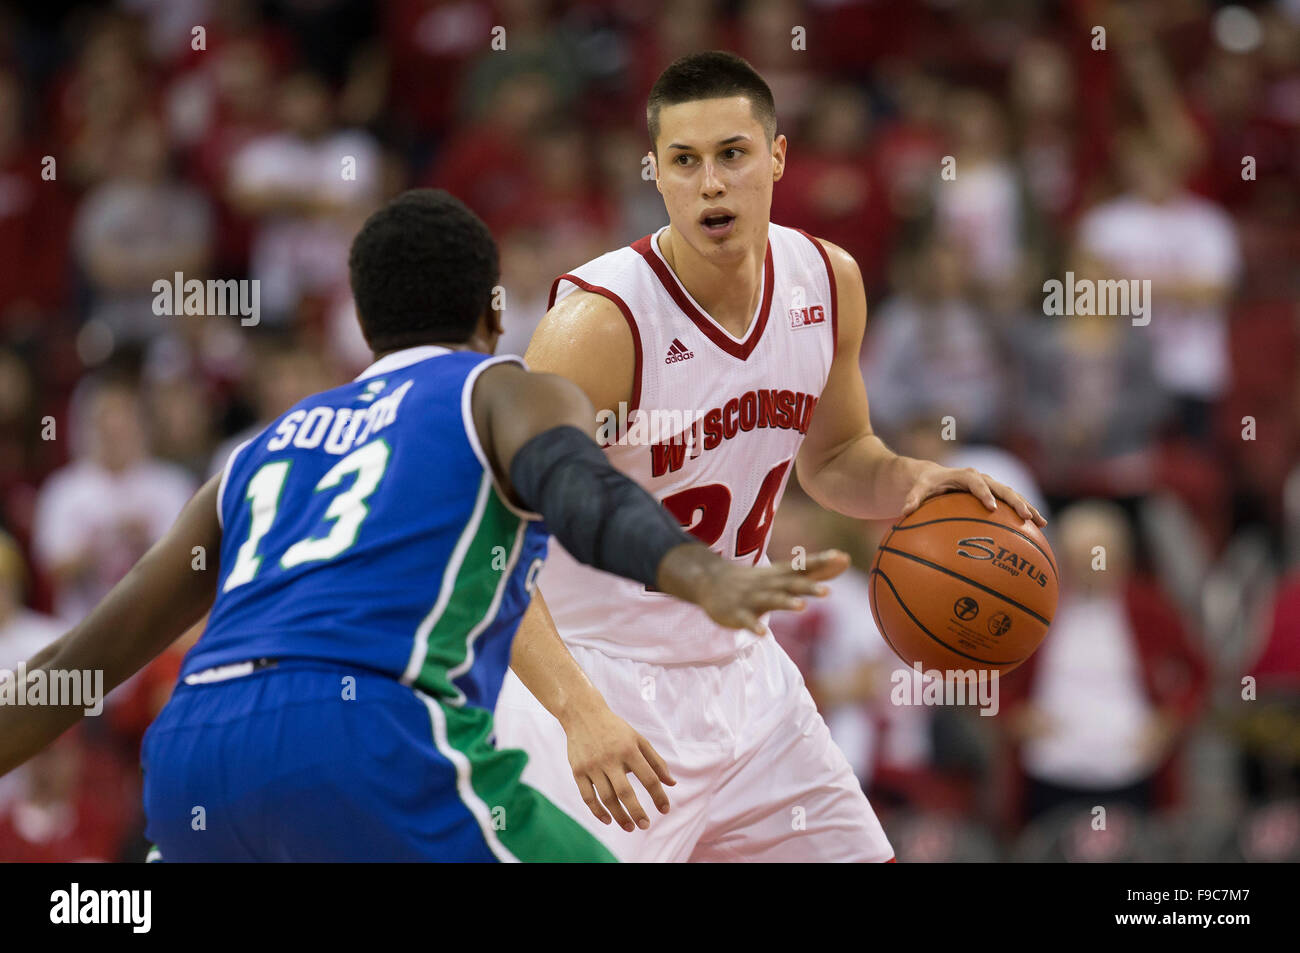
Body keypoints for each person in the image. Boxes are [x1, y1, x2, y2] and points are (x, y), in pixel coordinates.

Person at [0, 189, 845, 862]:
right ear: (492, 311)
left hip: (196, 752)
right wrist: (704, 574)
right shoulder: (500, 387)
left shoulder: (263, 451)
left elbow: (77, 664)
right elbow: (585, 493)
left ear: (364, 325)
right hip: (365, 736)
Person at [494, 51, 1045, 862]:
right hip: (600, 680)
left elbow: (838, 457)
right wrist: (576, 713)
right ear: (655, 172)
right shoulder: (601, 325)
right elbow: (493, 539)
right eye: (684, 161)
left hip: (747, 677)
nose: (710, 183)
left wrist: (915, 482)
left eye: (732, 154)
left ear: (777, 158)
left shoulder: (827, 280)